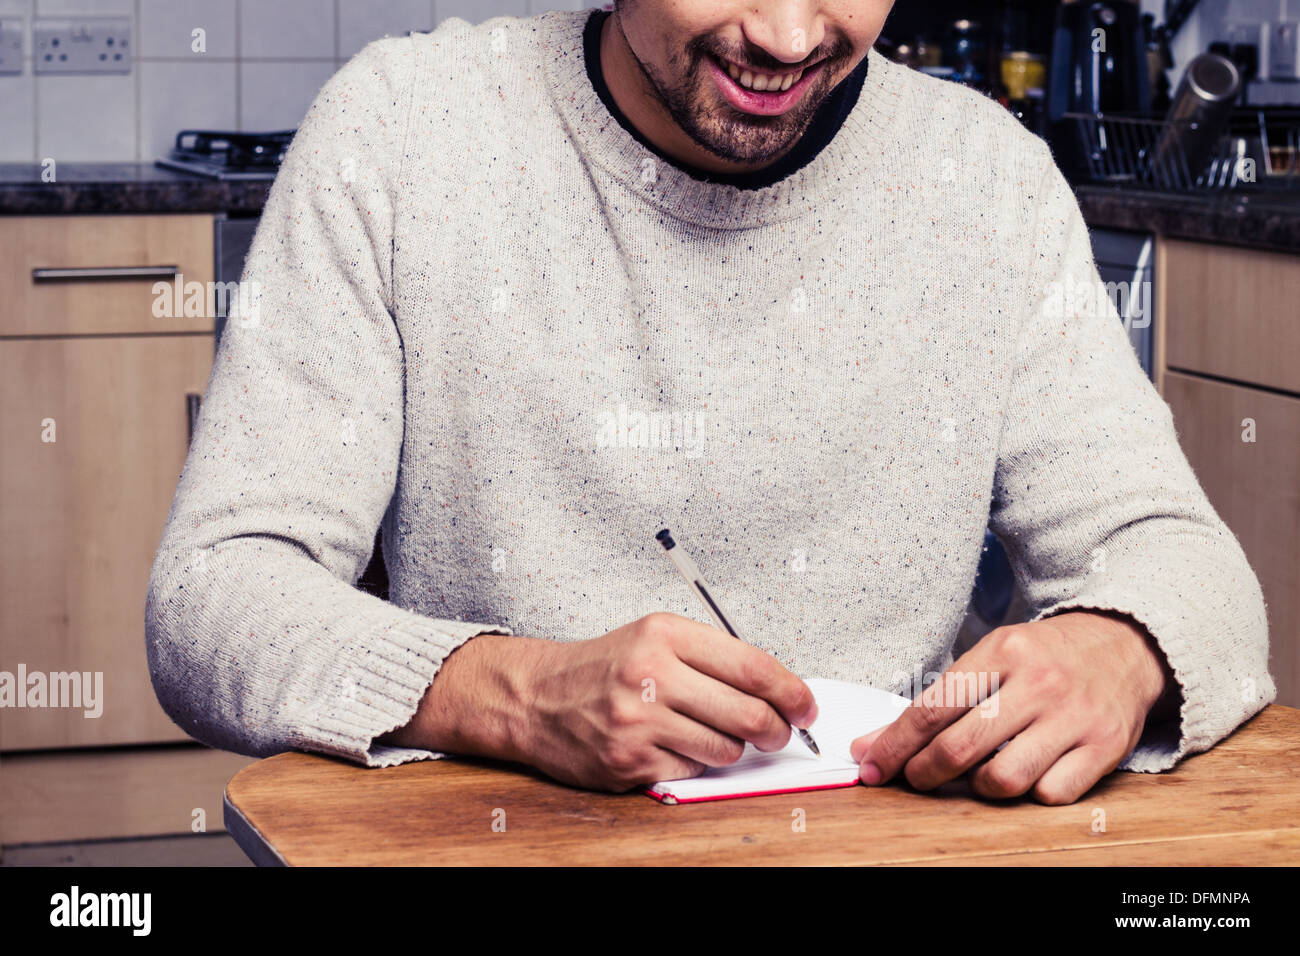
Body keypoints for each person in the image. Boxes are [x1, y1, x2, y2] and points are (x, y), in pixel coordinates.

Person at [146, 2, 1274, 805]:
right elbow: (213, 596)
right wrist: (515, 695)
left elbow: (1181, 559)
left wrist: (1118, 648)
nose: (788, 37)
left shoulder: (987, 179)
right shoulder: (400, 135)